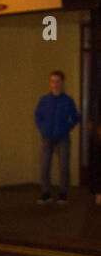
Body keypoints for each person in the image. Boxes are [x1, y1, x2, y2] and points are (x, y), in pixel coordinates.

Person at [35, 70, 80, 204]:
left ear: (62, 83)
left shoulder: (67, 100)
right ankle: (46, 193)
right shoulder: (44, 100)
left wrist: (67, 127)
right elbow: (37, 115)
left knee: (64, 167)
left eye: (57, 81)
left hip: (63, 138)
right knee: (44, 166)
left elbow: (76, 117)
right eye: (52, 81)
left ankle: (63, 193)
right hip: (47, 137)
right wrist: (43, 129)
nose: (54, 84)